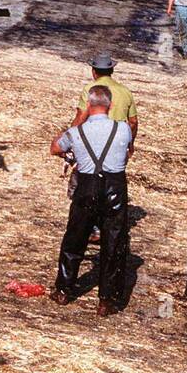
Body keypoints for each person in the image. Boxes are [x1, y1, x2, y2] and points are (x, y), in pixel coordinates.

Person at [49, 85, 132, 317]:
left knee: (74, 238)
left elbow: (54, 147)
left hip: (86, 186)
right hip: (115, 187)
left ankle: (63, 291)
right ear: (111, 106)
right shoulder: (123, 129)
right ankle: (107, 301)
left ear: (88, 105)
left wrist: (78, 126)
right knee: (113, 242)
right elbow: (127, 151)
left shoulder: (77, 132)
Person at [72, 53, 137, 156]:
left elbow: (80, 118)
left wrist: (70, 139)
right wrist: (130, 144)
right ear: (112, 70)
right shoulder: (125, 91)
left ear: (93, 72)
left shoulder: (90, 89)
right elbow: (133, 122)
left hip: (93, 141)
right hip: (117, 143)